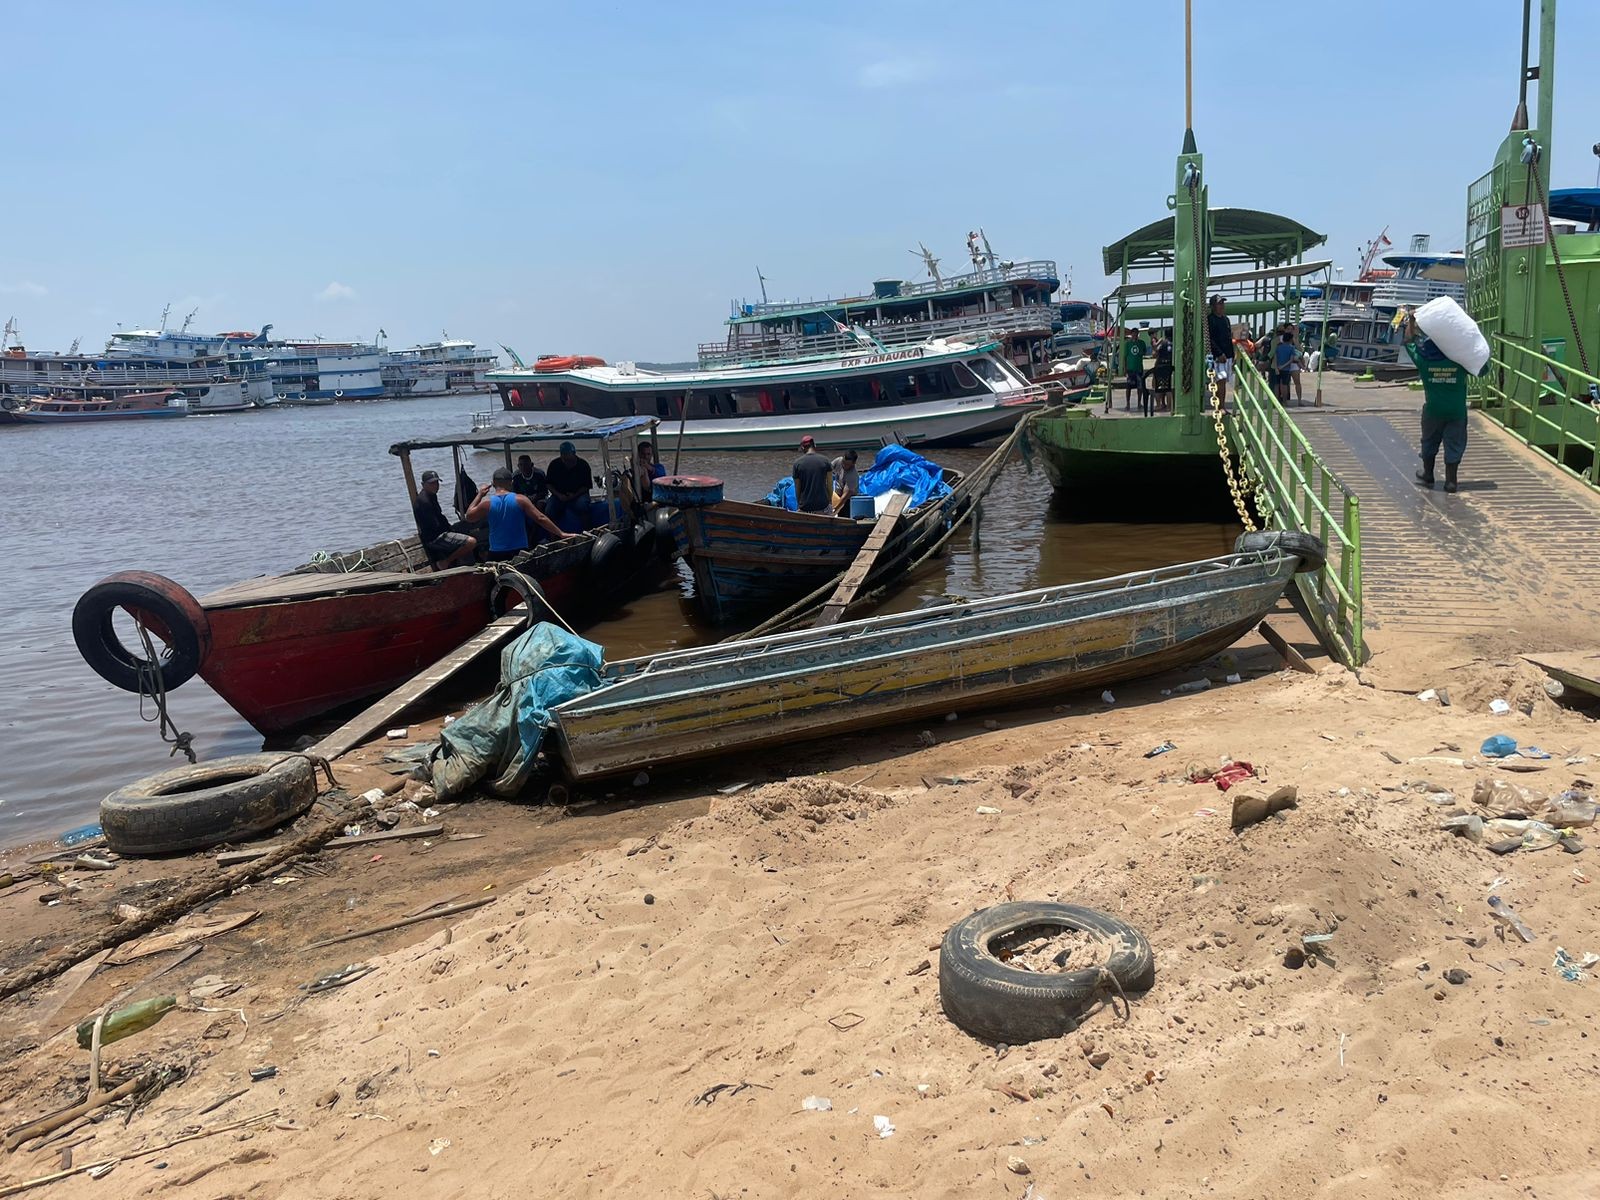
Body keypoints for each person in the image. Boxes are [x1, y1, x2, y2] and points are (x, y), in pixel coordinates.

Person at [1403, 312, 1473, 493]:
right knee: (1455, 444)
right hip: (1456, 411)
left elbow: (1409, 341)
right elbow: (1483, 367)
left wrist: (1411, 320)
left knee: (1429, 441)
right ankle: (1451, 481)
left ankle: (1428, 473)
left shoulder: (1424, 361)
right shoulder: (1460, 361)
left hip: (1433, 410)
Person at [466, 467, 565, 561]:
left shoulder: (487, 503)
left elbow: (469, 517)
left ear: (493, 484)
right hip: (519, 551)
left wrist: (480, 494)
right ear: (512, 482)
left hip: (496, 552)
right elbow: (540, 518)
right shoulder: (520, 499)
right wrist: (561, 533)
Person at [412, 469, 476, 569]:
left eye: (437, 482)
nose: (435, 485)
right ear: (423, 484)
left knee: (467, 527)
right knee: (471, 542)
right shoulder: (424, 501)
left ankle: (466, 564)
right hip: (434, 538)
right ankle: (445, 562)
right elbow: (435, 526)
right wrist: (450, 531)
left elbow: (440, 518)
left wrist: (452, 529)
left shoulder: (431, 496)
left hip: (439, 533)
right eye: (432, 483)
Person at [545, 440, 594, 530]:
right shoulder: (554, 464)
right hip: (559, 496)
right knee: (549, 509)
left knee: (582, 505)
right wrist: (559, 495)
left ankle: (588, 531)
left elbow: (586, 486)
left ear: (574, 454)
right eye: (564, 457)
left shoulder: (583, 465)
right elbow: (549, 484)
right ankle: (554, 537)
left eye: (569, 458)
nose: (567, 461)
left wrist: (574, 496)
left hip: (578, 495)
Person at [792, 434, 833, 514]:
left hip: (806, 507)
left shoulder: (797, 464)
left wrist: (800, 505)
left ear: (803, 448)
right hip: (823, 506)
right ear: (814, 445)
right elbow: (830, 485)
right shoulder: (826, 461)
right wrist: (829, 501)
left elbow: (797, 488)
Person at [1207, 295, 1234, 405]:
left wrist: (1232, 354)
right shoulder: (1210, 320)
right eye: (1219, 303)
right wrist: (1218, 353)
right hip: (1217, 356)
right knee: (1220, 380)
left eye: (1223, 303)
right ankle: (1220, 406)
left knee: (1225, 380)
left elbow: (1229, 338)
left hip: (1228, 355)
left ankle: (1222, 404)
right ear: (1213, 306)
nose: (1222, 305)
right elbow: (1210, 339)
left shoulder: (1226, 319)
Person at [1123, 329, 1149, 414]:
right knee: (1128, 387)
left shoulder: (1141, 343)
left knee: (1140, 387)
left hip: (1139, 368)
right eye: (1133, 334)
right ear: (1131, 334)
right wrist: (1125, 368)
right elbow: (1125, 357)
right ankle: (1127, 403)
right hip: (1130, 369)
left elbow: (1144, 352)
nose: (1135, 335)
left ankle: (1139, 403)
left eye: (1136, 334)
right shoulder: (1127, 344)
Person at [831, 448, 860, 515]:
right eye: (843, 463)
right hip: (836, 494)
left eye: (847, 465)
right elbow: (828, 469)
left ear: (854, 463)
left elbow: (845, 496)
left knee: (843, 515)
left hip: (847, 500)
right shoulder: (839, 460)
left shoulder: (853, 475)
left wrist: (835, 509)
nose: (844, 466)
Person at [1271, 330, 1297, 404]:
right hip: (1285, 368)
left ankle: (1276, 401)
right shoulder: (1291, 348)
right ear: (1290, 339)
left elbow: (1275, 358)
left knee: (1276, 384)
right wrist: (1283, 366)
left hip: (1277, 368)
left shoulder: (1278, 347)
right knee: (1284, 385)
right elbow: (1291, 360)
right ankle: (1284, 401)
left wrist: (1276, 367)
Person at [1151, 329, 1174, 412]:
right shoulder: (1174, 343)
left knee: (1158, 386)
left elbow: (1155, 354)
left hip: (1160, 365)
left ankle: (1158, 405)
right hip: (1169, 366)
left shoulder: (1162, 343)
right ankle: (1169, 406)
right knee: (1168, 387)